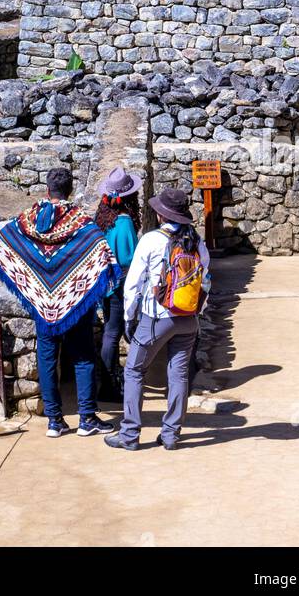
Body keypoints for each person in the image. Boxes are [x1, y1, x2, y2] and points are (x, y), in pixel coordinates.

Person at [0, 167, 121, 439]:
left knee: (46, 358)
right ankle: (86, 418)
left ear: (47, 190)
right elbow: (101, 253)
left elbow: (2, 243)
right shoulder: (79, 221)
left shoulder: (29, 219)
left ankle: (55, 421)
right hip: (76, 304)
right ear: (70, 190)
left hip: (42, 304)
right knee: (82, 357)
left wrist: (36, 286)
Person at [105, 187, 210, 453]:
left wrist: (129, 318)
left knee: (134, 370)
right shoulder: (196, 242)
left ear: (162, 215)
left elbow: (133, 284)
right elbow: (205, 281)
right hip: (188, 319)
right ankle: (171, 434)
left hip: (156, 317)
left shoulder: (151, 240)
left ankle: (129, 434)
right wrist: (197, 310)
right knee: (179, 374)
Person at [94, 167, 141, 401]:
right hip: (118, 284)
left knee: (109, 332)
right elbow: (130, 260)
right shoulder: (124, 224)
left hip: (104, 282)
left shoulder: (103, 220)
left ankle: (108, 378)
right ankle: (108, 383)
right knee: (112, 333)